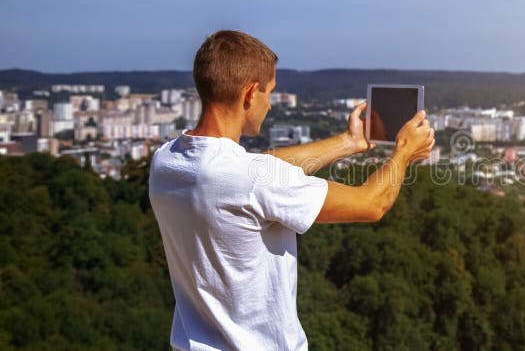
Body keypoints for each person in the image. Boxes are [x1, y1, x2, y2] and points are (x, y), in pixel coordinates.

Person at [148, 30, 434, 350]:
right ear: (250, 93)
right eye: (269, 93)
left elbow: (258, 167)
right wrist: (404, 152)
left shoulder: (167, 161)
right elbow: (372, 203)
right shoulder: (250, 178)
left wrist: (349, 143)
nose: (269, 106)